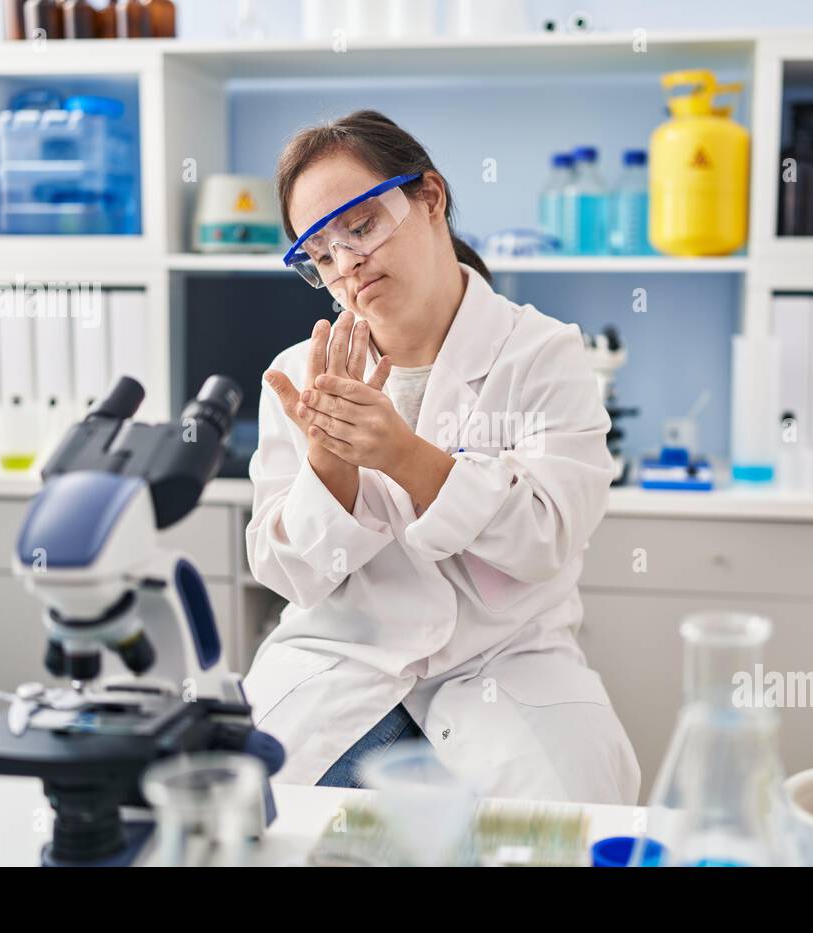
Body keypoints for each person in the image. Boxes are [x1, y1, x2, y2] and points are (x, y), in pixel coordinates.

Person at [242, 110, 639, 804]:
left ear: (430, 197)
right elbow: (289, 575)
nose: (348, 263)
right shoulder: (298, 376)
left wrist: (403, 455)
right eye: (322, 253)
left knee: (557, 831)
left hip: (507, 667)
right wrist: (330, 469)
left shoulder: (542, 354)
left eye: (361, 224)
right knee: (250, 817)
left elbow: (546, 537)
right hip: (341, 667)